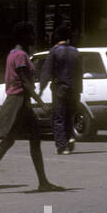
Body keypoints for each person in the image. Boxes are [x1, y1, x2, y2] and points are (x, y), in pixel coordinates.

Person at [0, 20, 64, 193]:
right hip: (18, 101)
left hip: (20, 101)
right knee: (10, 140)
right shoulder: (20, 56)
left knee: (32, 139)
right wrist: (41, 104)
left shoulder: (15, 54)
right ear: (23, 36)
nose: (33, 36)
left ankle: (43, 181)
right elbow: (25, 83)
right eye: (30, 33)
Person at [39, 25, 81, 155]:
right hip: (73, 89)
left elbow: (46, 71)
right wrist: (79, 91)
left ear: (57, 37)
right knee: (69, 115)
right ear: (68, 37)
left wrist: (41, 88)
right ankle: (70, 138)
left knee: (58, 117)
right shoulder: (75, 52)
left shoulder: (54, 51)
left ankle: (62, 146)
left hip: (59, 88)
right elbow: (80, 73)